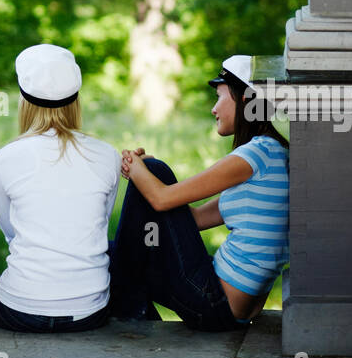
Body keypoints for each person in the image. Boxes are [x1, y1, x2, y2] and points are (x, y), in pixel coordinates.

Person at [109, 54, 289, 331]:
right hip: (232, 307)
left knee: (117, 258)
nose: (214, 109)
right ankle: (128, 300)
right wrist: (144, 177)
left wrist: (139, 169)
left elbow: (163, 198)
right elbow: (191, 220)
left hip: (215, 303)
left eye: (219, 97)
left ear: (244, 98)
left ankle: (125, 303)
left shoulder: (255, 155)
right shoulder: (274, 155)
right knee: (120, 253)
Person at [0, 43, 120, 332]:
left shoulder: (2, 160)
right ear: (76, 100)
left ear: (24, 101)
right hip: (90, 312)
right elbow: (100, 224)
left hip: (20, 312)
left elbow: (10, 230)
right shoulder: (108, 155)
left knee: (0, 290)